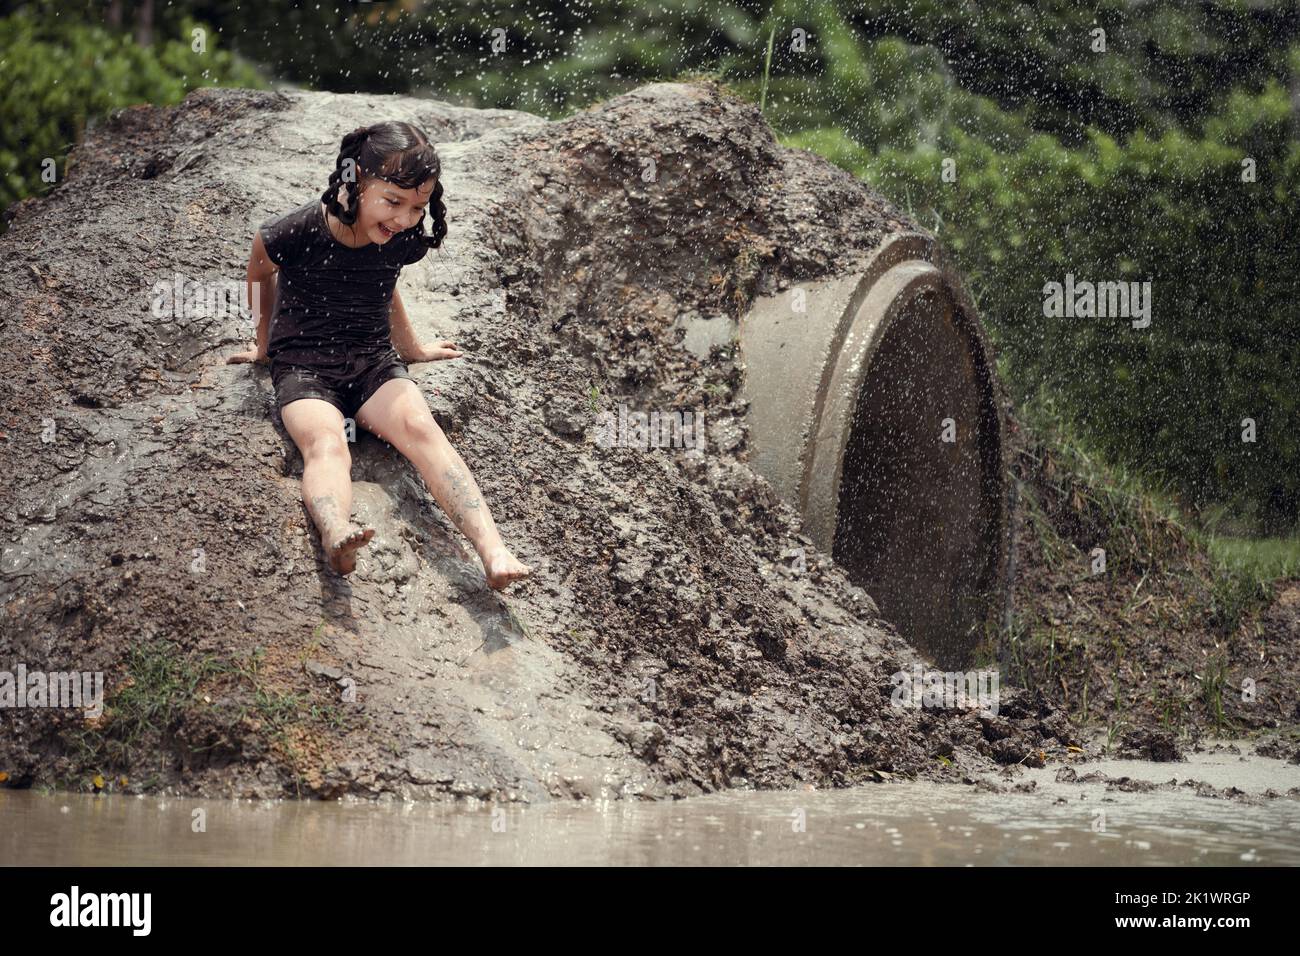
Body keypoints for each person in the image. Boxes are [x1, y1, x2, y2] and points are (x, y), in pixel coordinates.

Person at [227, 121, 531, 589]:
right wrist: (263, 344)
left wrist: (414, 350)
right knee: (325, 444)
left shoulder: (401, 238)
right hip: (304, 366)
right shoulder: (295, 231)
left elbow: (385, 287)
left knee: (426, 434)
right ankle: (336, 530)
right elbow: (258, 272)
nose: (406, 219)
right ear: (355, 183)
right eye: (393, 202)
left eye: (417, 207)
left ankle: (494, 550)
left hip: (372, 362)